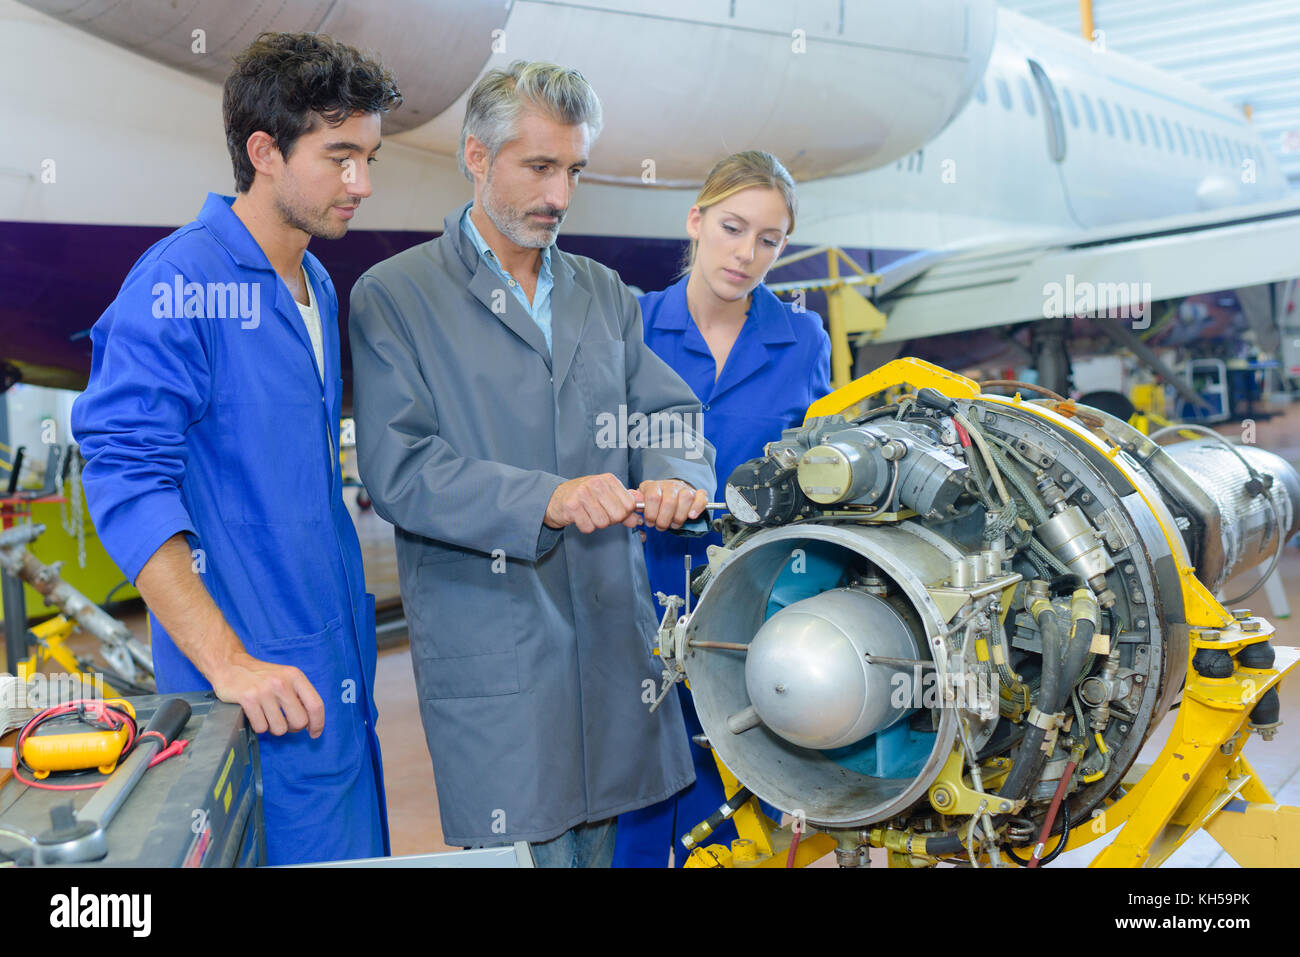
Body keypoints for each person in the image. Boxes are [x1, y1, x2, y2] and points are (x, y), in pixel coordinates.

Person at [348, 60, 716, 868]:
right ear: (477, 157)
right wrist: (549, 498)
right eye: (539, 167)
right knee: (523, 849)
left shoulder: (603, 293)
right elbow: (401, 468)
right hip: (497, 639)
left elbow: (668, 413)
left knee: (598, 845)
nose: (559, 196)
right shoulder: (396, 295)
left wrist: (675, 473)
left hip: (610, 637)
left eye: (573, 169)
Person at [70, 33, 401, 866]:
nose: (362, 183)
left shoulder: (316, 284)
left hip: (336, 682)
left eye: (369, 156)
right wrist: (230, 663)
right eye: (339, 157)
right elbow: (123, 474)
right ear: (264, 151)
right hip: (260, 701)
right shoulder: (180, 282)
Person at [613, 150, 832, 867]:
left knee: (749, 799)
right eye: (733, 228)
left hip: (755, 604)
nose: (746, 254)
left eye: (768, 240)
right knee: (639, 799)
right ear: (696, 220)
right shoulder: (631, 326)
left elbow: (817, 469)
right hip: (639, 598)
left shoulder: (802, 339)